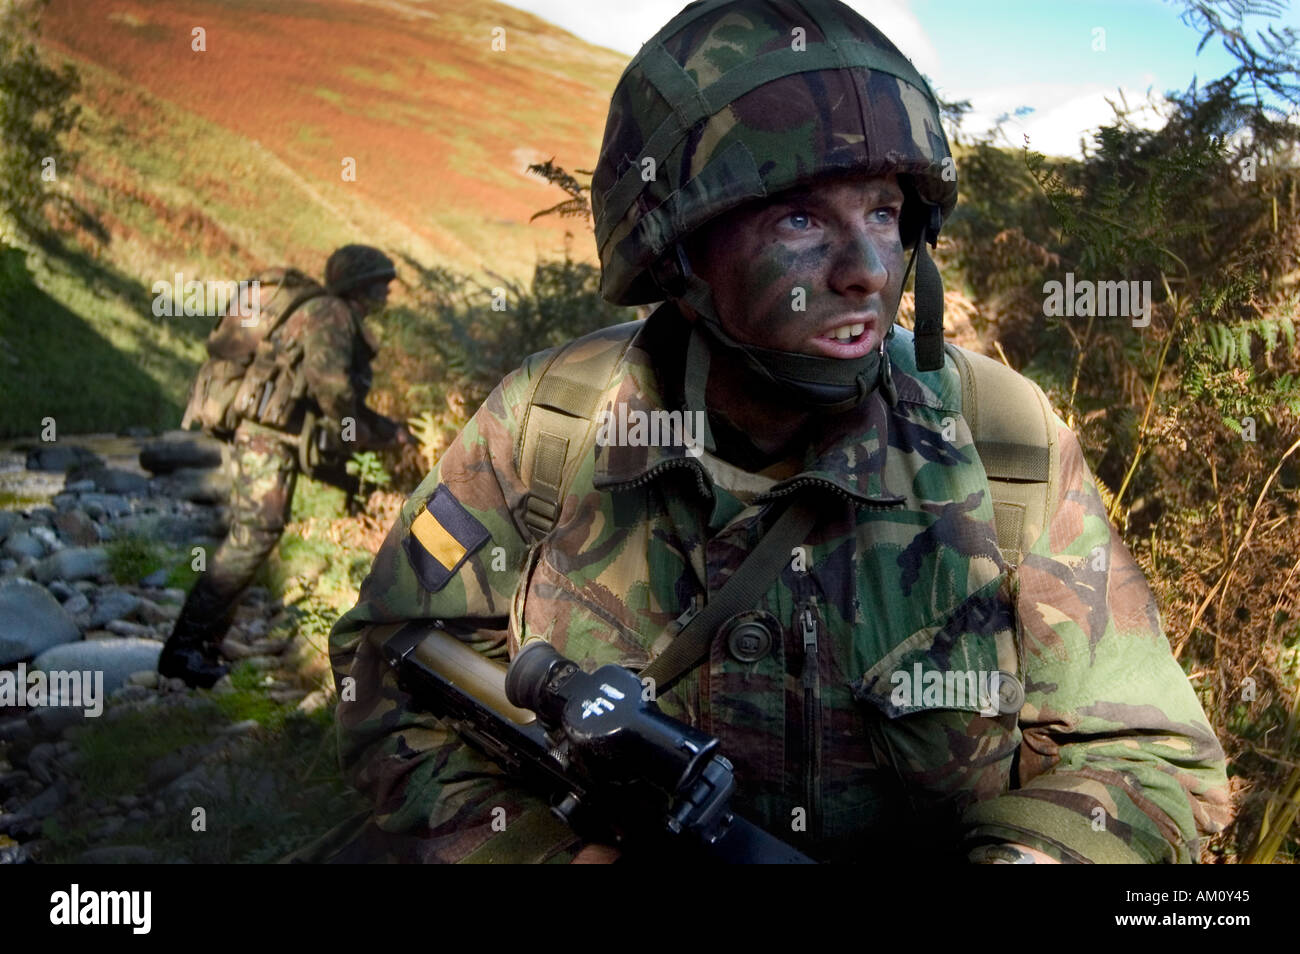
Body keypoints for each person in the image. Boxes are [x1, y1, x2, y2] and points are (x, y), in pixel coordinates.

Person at [323, 0, 1230, 863]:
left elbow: (1149, 759)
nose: (868, 270)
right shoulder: (551, 425)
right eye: (800, 218)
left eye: (882, 211)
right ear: (677, 251)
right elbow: (386, 677)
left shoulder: (1001, 446)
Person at [159, 244, 413, 689]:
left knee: (257, 534)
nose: (387, 292)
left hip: (268, 434)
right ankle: (183, 651)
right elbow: (332, 388)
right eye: (381, 282)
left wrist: (381, 429)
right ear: (359, 283)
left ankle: (203, 647)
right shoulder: (332, 312)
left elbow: (333, 397)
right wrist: (358, 435)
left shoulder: (326, 310)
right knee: (254, 533)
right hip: (265, 437)